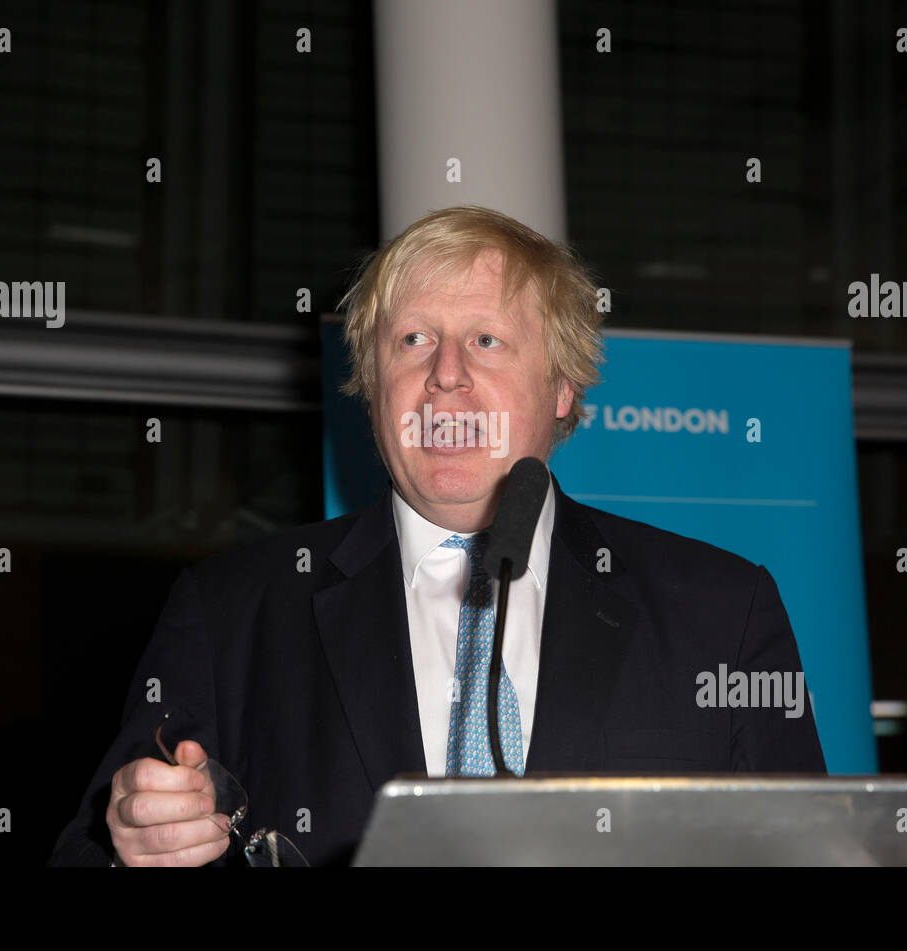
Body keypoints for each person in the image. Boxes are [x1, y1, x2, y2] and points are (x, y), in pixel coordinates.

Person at [48, 205, 825, 867]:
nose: (446, 373)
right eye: (412, 340)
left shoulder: (722, 612)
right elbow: (90, 853)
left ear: (561, 388)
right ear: (372, 386)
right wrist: (132, 842)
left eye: (486, 340)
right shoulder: (230, 612)